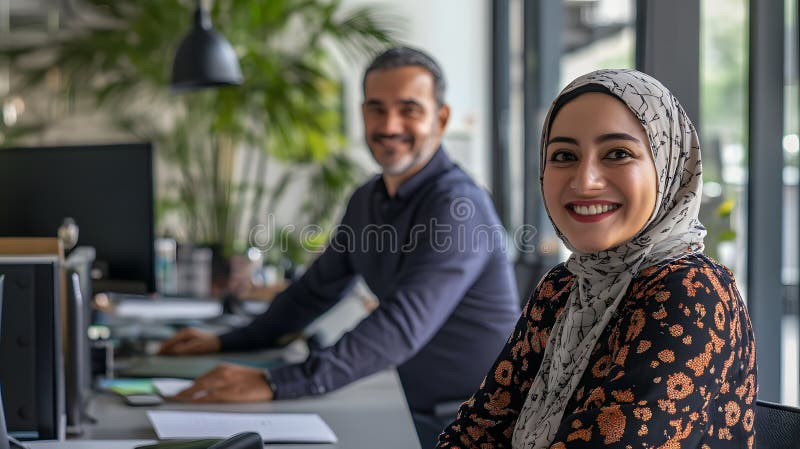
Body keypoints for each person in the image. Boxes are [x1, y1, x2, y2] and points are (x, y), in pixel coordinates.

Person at [159, 47, 521, 447]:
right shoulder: (367, 199)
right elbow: (310, 294)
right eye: (376, 109)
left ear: (442, 118)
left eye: (409, 110)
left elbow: (401, 324)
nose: (389, 125)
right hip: (406, 405)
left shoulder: (459, 206)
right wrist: (224, 341)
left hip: (467, 423)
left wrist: (277, 383)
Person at [436, 69, 757, 448]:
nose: (585, 180)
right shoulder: (563, 286)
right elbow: (477, 429)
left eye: (618, 154)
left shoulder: (692, 292)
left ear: (668, 164)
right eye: (564, 156)